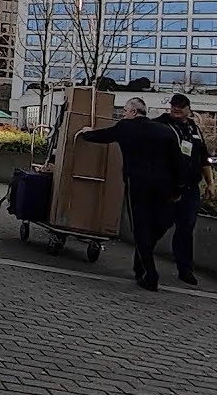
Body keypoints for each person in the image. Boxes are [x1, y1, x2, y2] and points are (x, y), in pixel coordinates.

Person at [76, 97, 182, 292]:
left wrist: (86, 133)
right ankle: (141, 264)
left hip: (138, 185)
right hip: (164, 187)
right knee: (158, 224)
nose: (123, 114)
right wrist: (178, 188)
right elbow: (177, 162)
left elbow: (103, 136)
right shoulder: (165, 131)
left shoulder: (126, 127)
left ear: (134, 112)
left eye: (125, 110)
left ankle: (150, 274)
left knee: (140, 227)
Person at [156, 94, 217, 286]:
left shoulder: (194, 129)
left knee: (186, 227)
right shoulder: (162, 125)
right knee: (160, 225)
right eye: (174, 107)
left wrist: (210, 183)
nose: (176, 110)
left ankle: (185, 269)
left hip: (190, 189)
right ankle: (143, 258)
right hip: (169, 187)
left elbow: (204, 158)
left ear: (188, 109)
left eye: (180, 107)